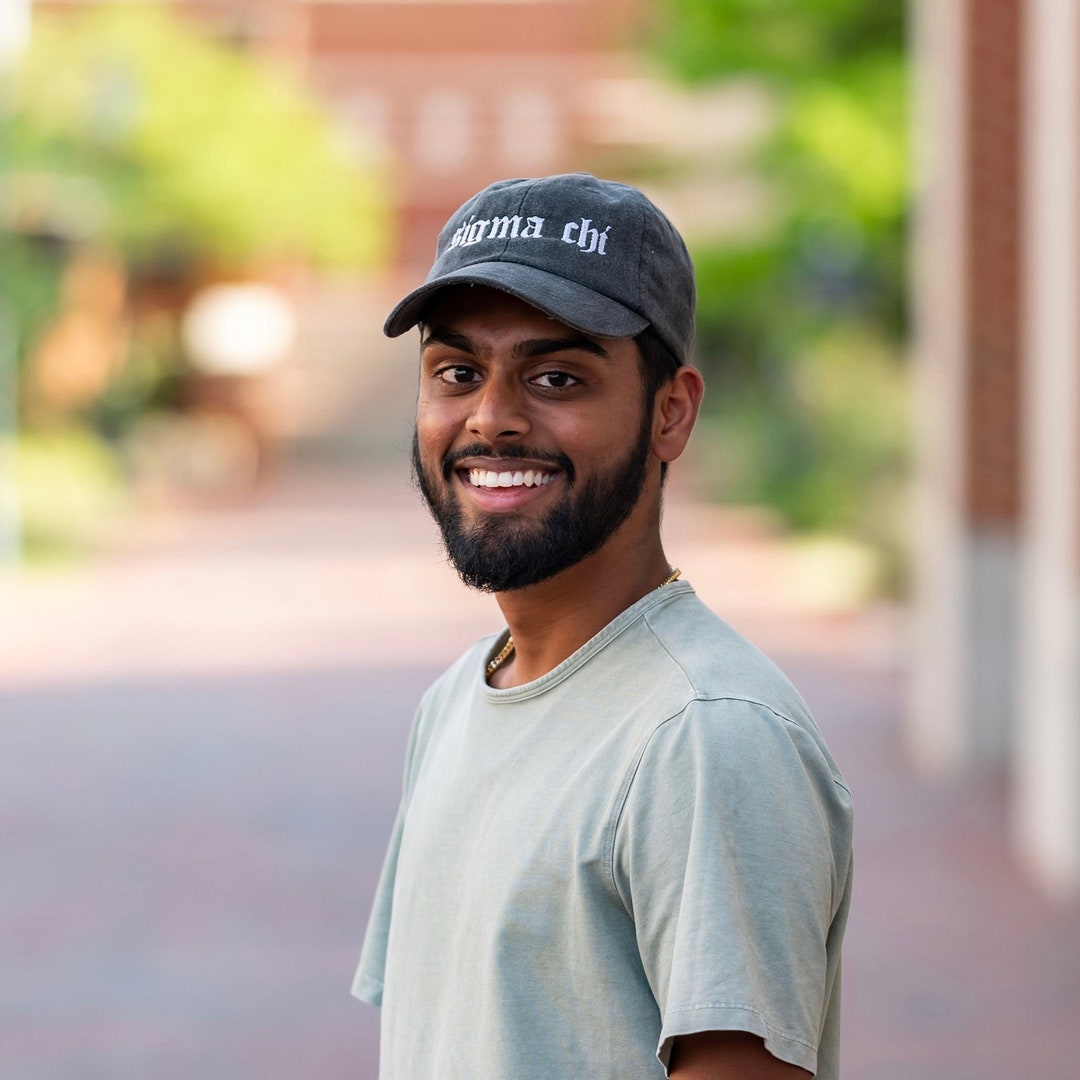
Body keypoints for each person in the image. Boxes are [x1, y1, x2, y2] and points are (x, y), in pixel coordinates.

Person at [352, 173, 853, 1080]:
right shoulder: (459, 699)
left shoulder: (704, 735)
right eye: (457, 373)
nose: (492, 418)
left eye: (557, 377)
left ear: (672, 412)